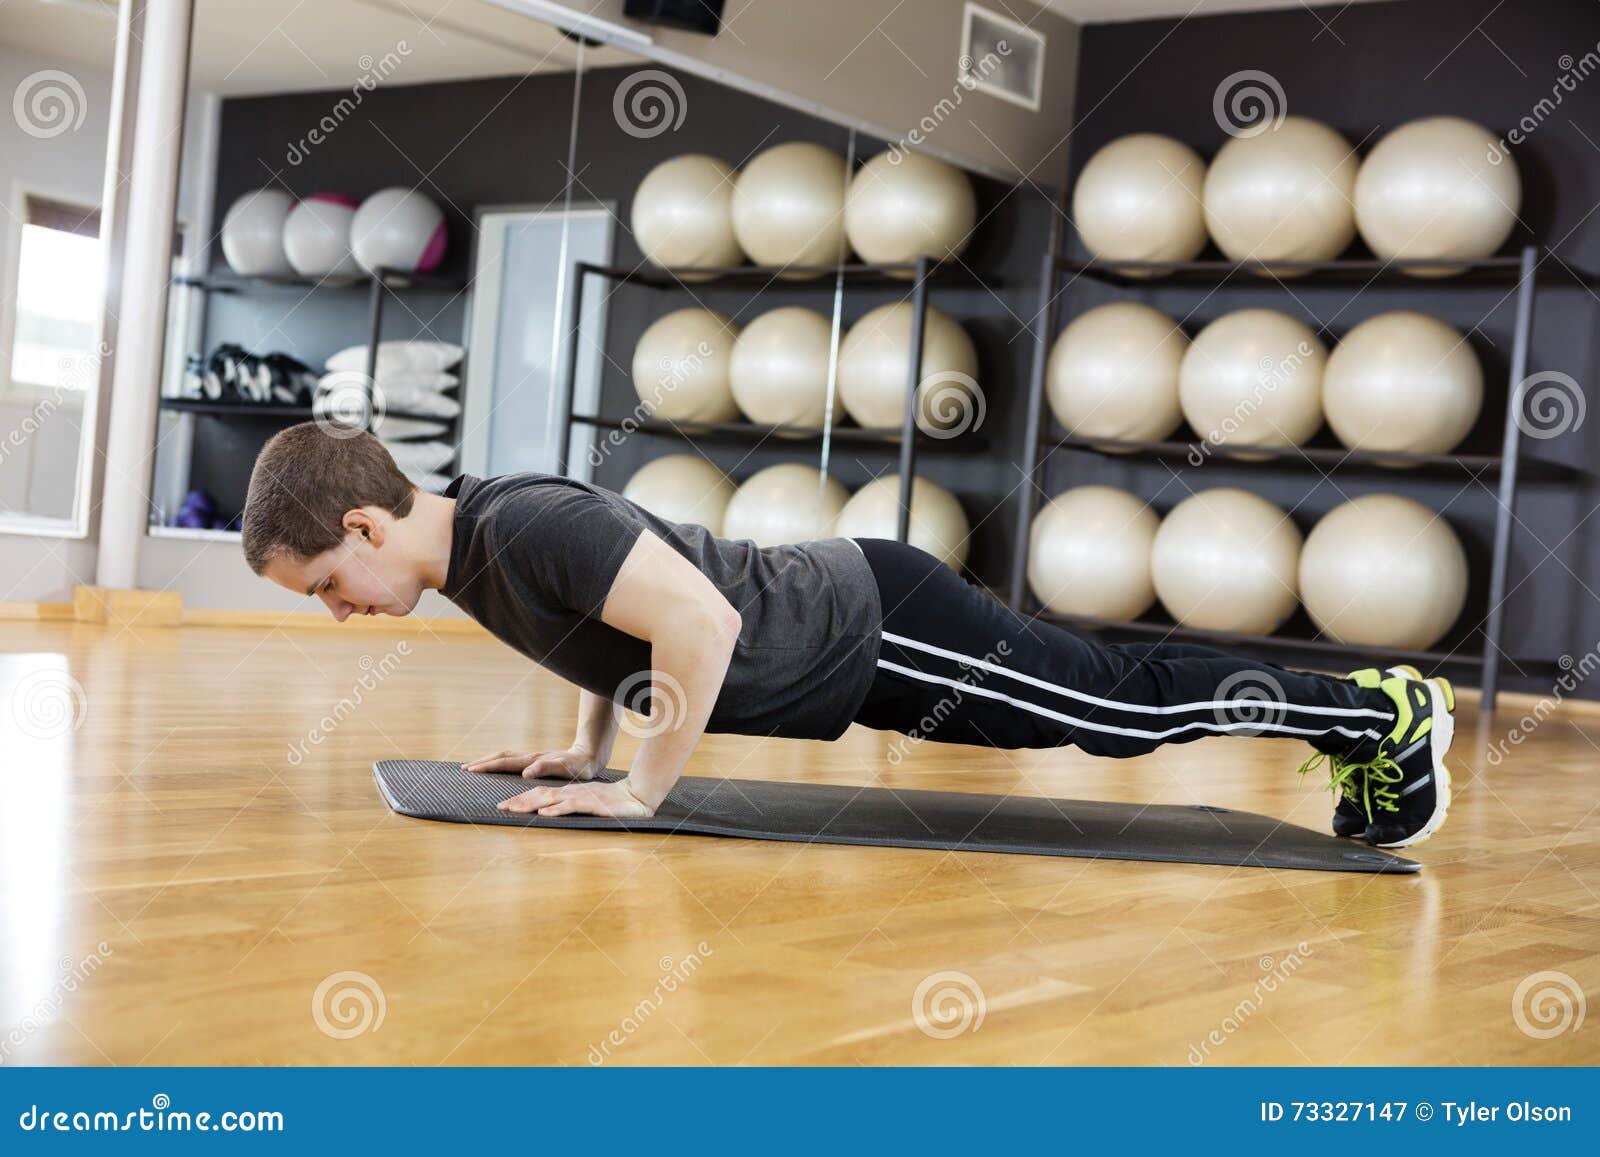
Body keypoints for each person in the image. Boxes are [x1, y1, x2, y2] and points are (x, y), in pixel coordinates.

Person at [242, 422, 1454, 850]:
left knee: (1112, 710)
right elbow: (616, 633)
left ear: (361, 521)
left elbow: (702, 621)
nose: (341, 612)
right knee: (1102, 696)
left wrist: (644, 795)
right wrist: (584, 753)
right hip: (858, 643)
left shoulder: (522, 522)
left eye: (328, 584)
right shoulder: (473, 549)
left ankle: (1379, 711)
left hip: (868, 626)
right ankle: (1365, 715)